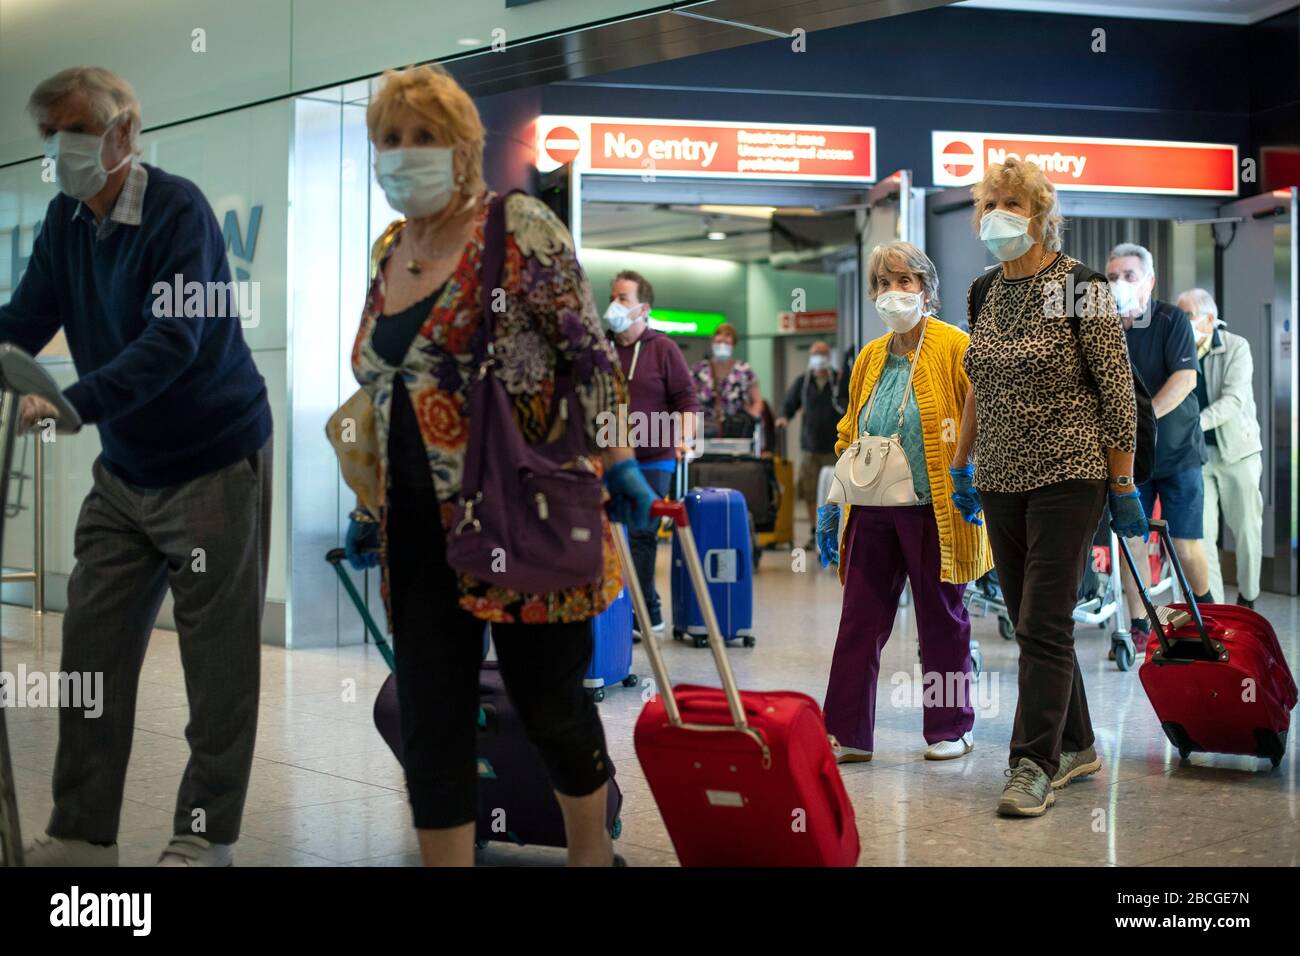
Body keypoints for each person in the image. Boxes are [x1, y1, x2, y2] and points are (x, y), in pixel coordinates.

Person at [346, 65, 656, 867]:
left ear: (463, 147)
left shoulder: (517, 227)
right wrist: (369, 500)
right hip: (416, 525)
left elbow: (590, 359)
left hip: (524, 509)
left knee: (548, 702)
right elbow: (382, 380)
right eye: (389, 139)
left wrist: (619, 459)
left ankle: (592, 857)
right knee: (432, 710)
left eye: (422, 138)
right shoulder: (389, 249)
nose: (402, 153)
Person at [5, 67, 274, 866]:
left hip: (213, 460)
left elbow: (173, 342)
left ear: (125, 133)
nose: (63, 149)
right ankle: (85, 833)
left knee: (217, 669)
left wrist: (74, 402)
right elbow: (24, 318)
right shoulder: (63, 220)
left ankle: (204, 837)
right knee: (91, 655)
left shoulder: (177, 209)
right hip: (127, 472)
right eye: (51, 134)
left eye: (77, 131)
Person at [950, 157, 1144, 817]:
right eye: (990, 203)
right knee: (1030, 621)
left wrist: (1122, 483)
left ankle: (1030, 763)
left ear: (1040, 216)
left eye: (1013, 203)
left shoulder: (1079, 287)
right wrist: (960, 460)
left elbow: (1117, 390)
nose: (999, 214)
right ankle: (1079, 742)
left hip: (1071, 472)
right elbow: (980, 377)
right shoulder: (984, 290)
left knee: (1042, 618)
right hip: (1000, 475)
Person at [816, 241, 993, 764]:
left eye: (904, 282)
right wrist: (833, 499)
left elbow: (980, 417)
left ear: (927, 290)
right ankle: (847, 733)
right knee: (859, 620)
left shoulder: (956, 345)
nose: (893, 294)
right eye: (883, 284)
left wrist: (971, 474)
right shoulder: (871, 356)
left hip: (935, 506)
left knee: (941, 618)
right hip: (871, 508)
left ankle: (949, 727)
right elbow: (850, 429)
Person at [1108, 244, 1214, 637]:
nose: (1119, 283)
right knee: (1132, 541)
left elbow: (1185, 380)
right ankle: (1141, 623)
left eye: (1129, 276)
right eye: (1113, 277)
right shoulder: (1103, 327)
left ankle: (1205, 612)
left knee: (1184, 544)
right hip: (1129, 459)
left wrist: (1140, 417)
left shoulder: (1171, 320)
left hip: (1178, 454)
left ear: (1149, 281)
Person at [604, 269, 698, 636]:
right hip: (611, 453)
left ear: (643, 308)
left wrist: (683, 438)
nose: (614, 304)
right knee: (612, 530)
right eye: (612, 296)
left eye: (623, 298)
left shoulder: (663, 348)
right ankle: (614, 610)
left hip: (655, 453)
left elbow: (687, 402)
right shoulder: (602, 348)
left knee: (643, 528)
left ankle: (645, 613)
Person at [1178, 287, 1263, 608]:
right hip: (1198, 458)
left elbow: (1234, 400)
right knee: (1202, 536)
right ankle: (1214, 608)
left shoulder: (1236, 347)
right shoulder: (1181, 348)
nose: (1181, 321)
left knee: (1246, 531)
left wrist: (1192, 424)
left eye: (1187, 315)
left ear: (1209, 319)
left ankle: (1248, 597)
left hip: (1238, 454)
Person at [777, 340, 845, 549]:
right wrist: (783, 418)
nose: (819, 357)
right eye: (816, 353)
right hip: (810, 446)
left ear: (829, 356)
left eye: (823, 353)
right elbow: (789, 404)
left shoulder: (838, 381)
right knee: (810, 491)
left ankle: (832, 532)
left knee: (834, 492)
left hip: (834, 447)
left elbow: (849, 404)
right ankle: (814, 532)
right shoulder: (803, 382)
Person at [692, 323, 764, 439]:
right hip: (704, 431)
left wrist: (750, 419)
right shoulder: (700, 370)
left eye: (726, 343)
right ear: (712, 343)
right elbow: (688, 398)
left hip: (736, 432)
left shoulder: (744, 371)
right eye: (719, 342)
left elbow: (758, 401)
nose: (722, 346)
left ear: (733, 345)